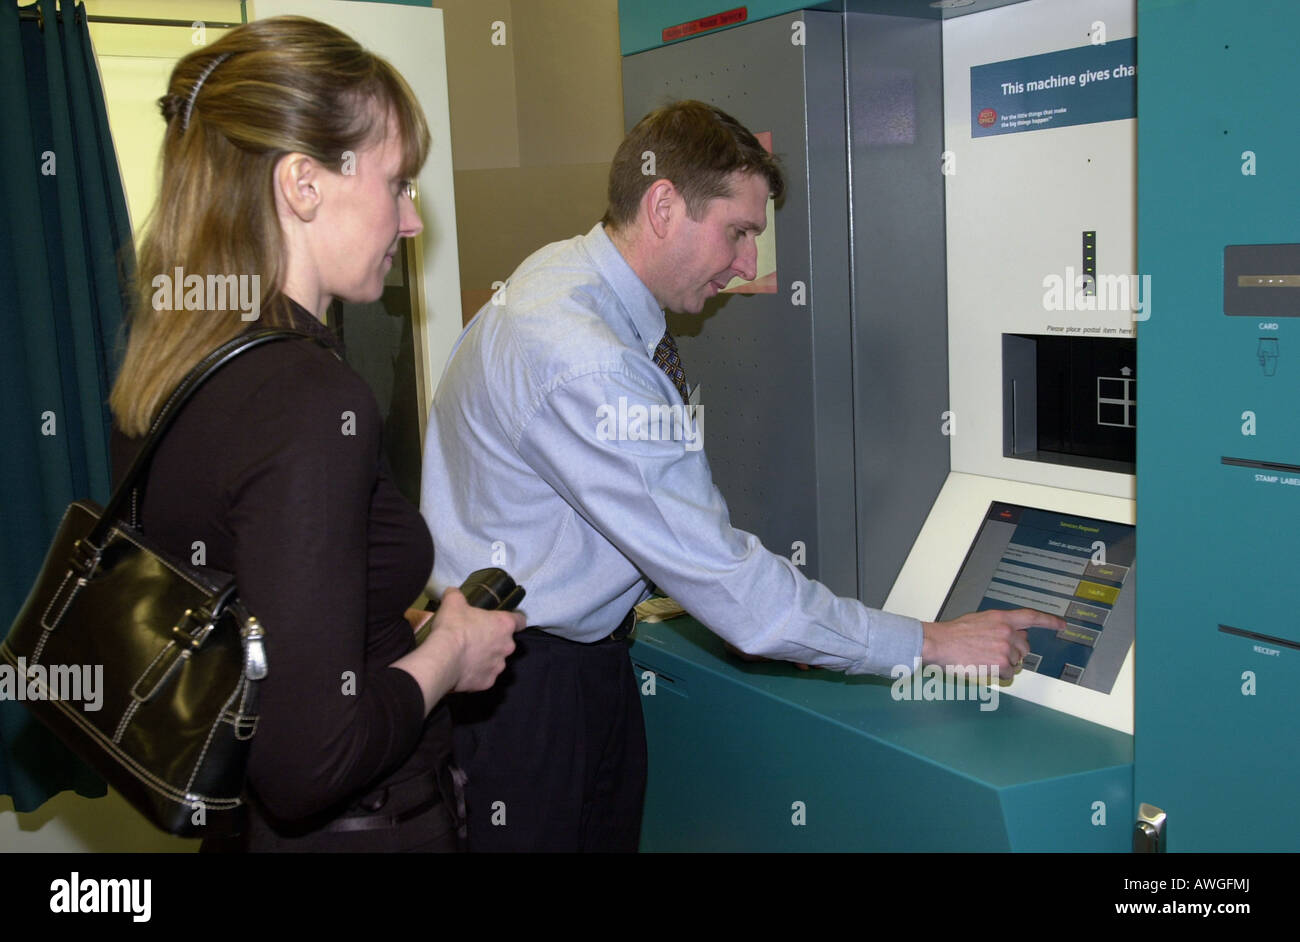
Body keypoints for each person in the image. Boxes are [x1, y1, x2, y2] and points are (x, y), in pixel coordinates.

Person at [419, 100, 1065, 852]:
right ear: (663, 205)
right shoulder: (585, 357)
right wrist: (931, 643)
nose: (749, 265)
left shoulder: (557, 275)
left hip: (546, 666)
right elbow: (741, 600)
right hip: (536, 692)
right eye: (739, 232)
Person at [107, 16, 521, 852]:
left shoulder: (175, 365)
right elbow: (305, 762)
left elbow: (258, 622)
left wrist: (370, 624)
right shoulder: (306, 398)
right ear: (303, 184)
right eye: (398, 184)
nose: (410, 223)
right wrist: (450, 652)